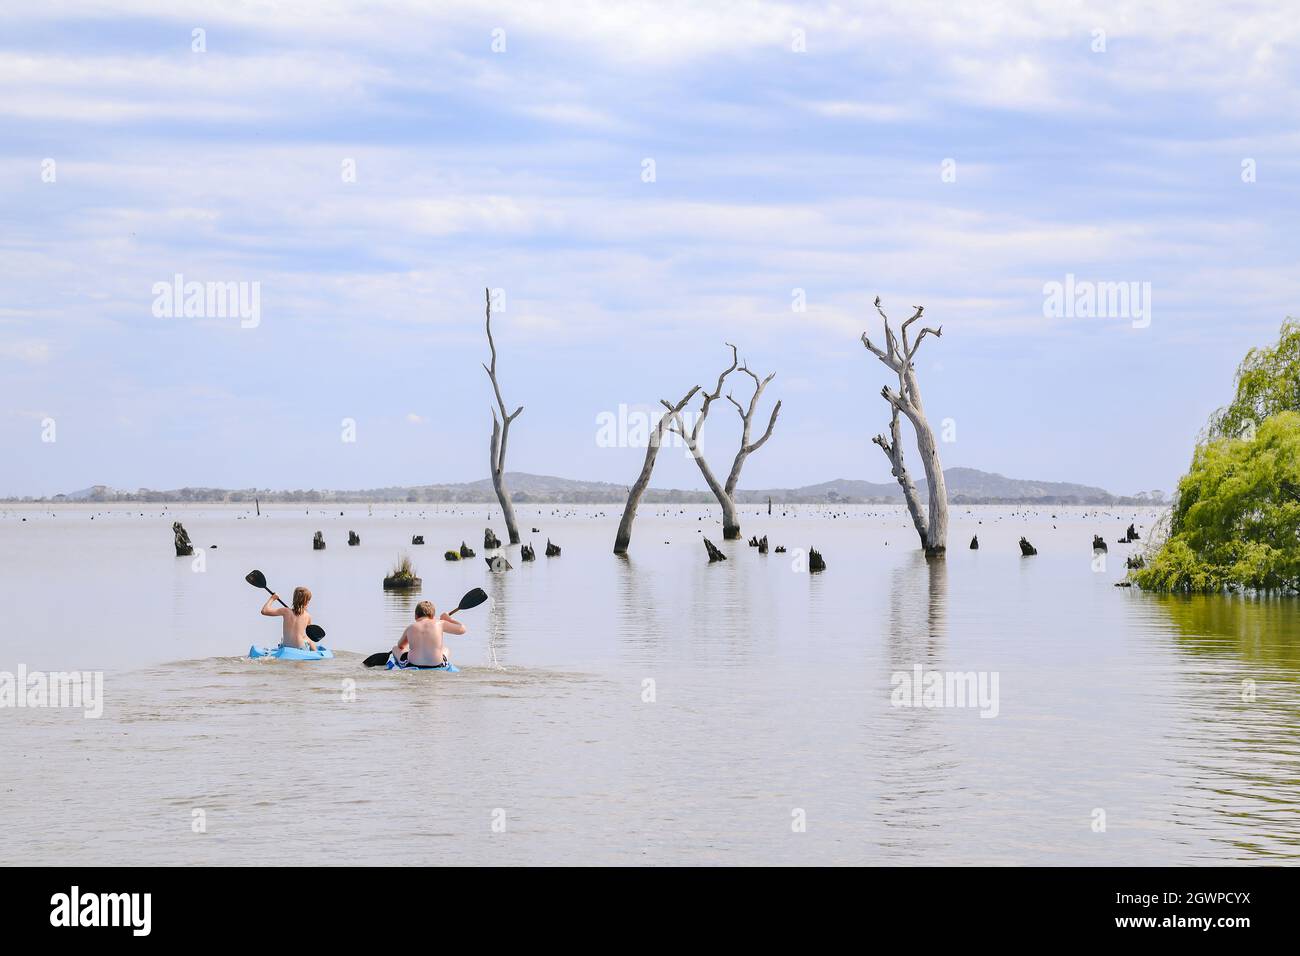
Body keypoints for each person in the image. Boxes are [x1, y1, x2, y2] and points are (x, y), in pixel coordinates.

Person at [393, 600, 465, 668]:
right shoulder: (440, 623)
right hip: (437, 664)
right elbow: (462, 629)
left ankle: (397, 664)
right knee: (446, 649)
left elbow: (400, 646)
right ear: (433, 616)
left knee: (395, 648)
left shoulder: (410, 627)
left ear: (415, 616)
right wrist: (449, 619)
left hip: (412, 664)